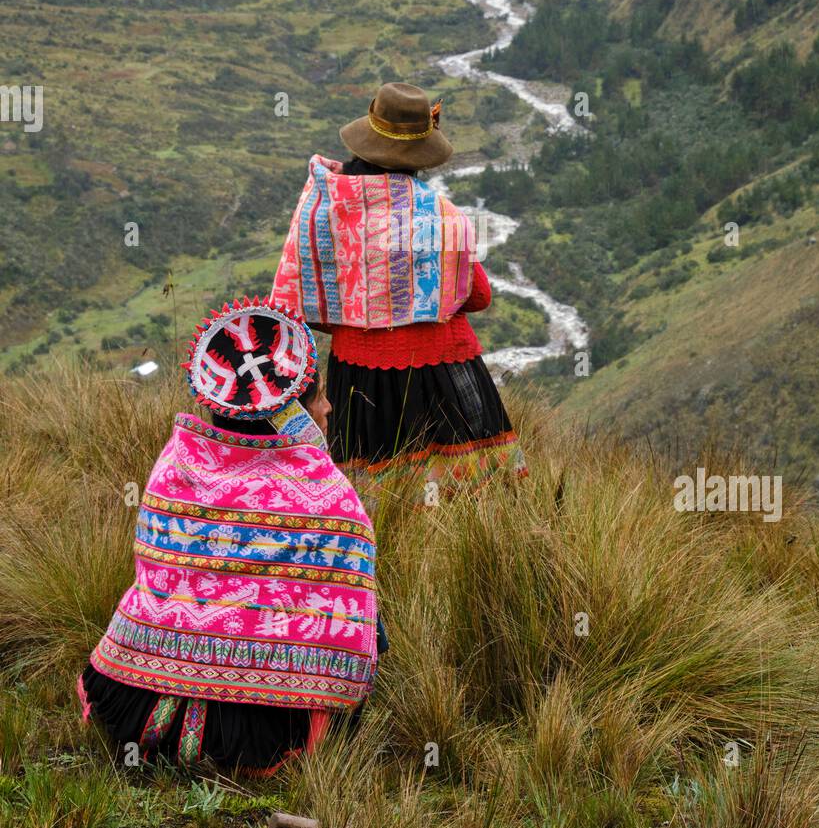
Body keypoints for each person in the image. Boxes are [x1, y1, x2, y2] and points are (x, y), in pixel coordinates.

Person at [78, 297, 378, 774]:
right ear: (290, 413)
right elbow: (353, 629)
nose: (328, 406)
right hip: (265, 730)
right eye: (317, 396)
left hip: (134, 702)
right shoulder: (328, 496)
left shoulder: (174, 465)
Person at [271, 82, 527, 498]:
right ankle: (474, 561)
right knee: (469, 498)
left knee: (373, 497)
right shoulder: (440, 214)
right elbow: (478, 296)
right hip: (443, 366)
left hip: (357, 374)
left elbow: (308, 297)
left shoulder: (324, 206)